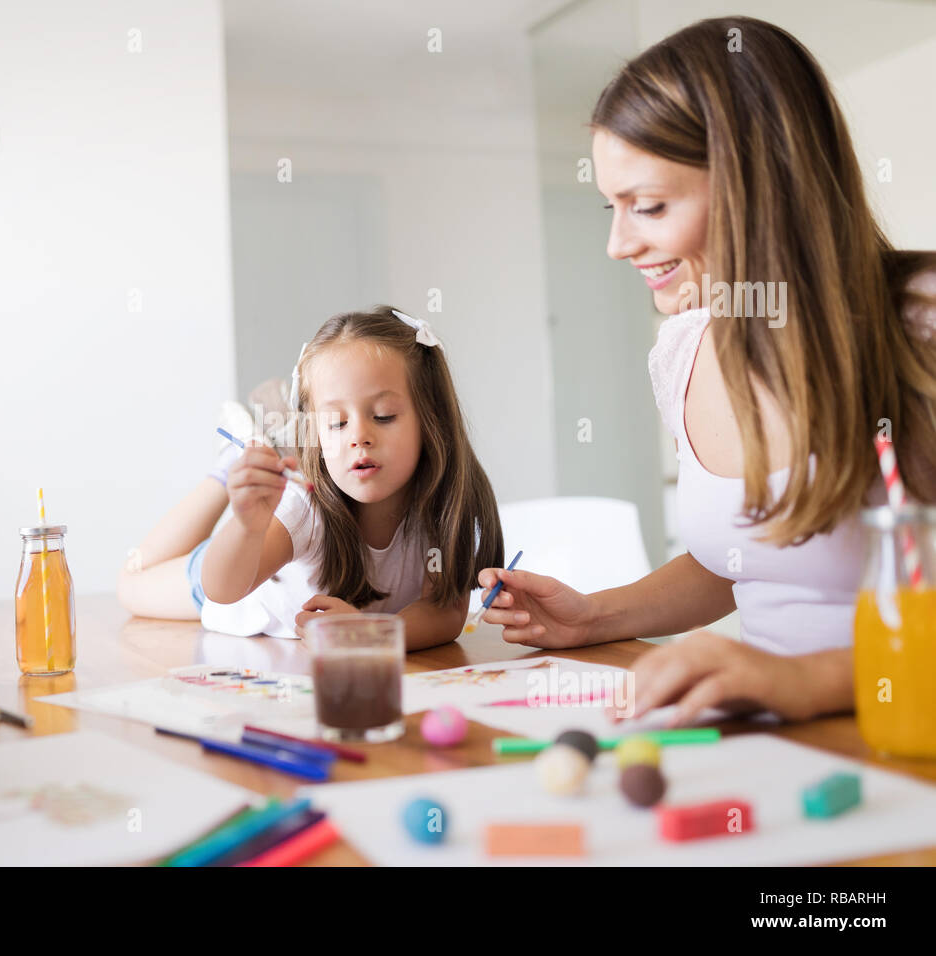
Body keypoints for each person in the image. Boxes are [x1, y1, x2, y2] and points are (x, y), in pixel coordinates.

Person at [476, 16, 936, 725]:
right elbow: (743, 558)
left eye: (649, 206)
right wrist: (592, 617)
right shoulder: (688, 349)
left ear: (761, 181)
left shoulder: (919, 322)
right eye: (613, 206)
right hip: (776, 750)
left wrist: (802, 681)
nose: (617, 243)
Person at [118, 306, 505, 649]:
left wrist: (369, 633)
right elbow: (222, 590)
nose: (358, 436)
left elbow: (442, 614)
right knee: (132, 583)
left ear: (431, 419)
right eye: (336, 423)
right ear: (316, 435)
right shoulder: (303, 509)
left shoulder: (442, 508)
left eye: (384, 415)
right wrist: (247, 526)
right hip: (237, 566)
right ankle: (227, 469)